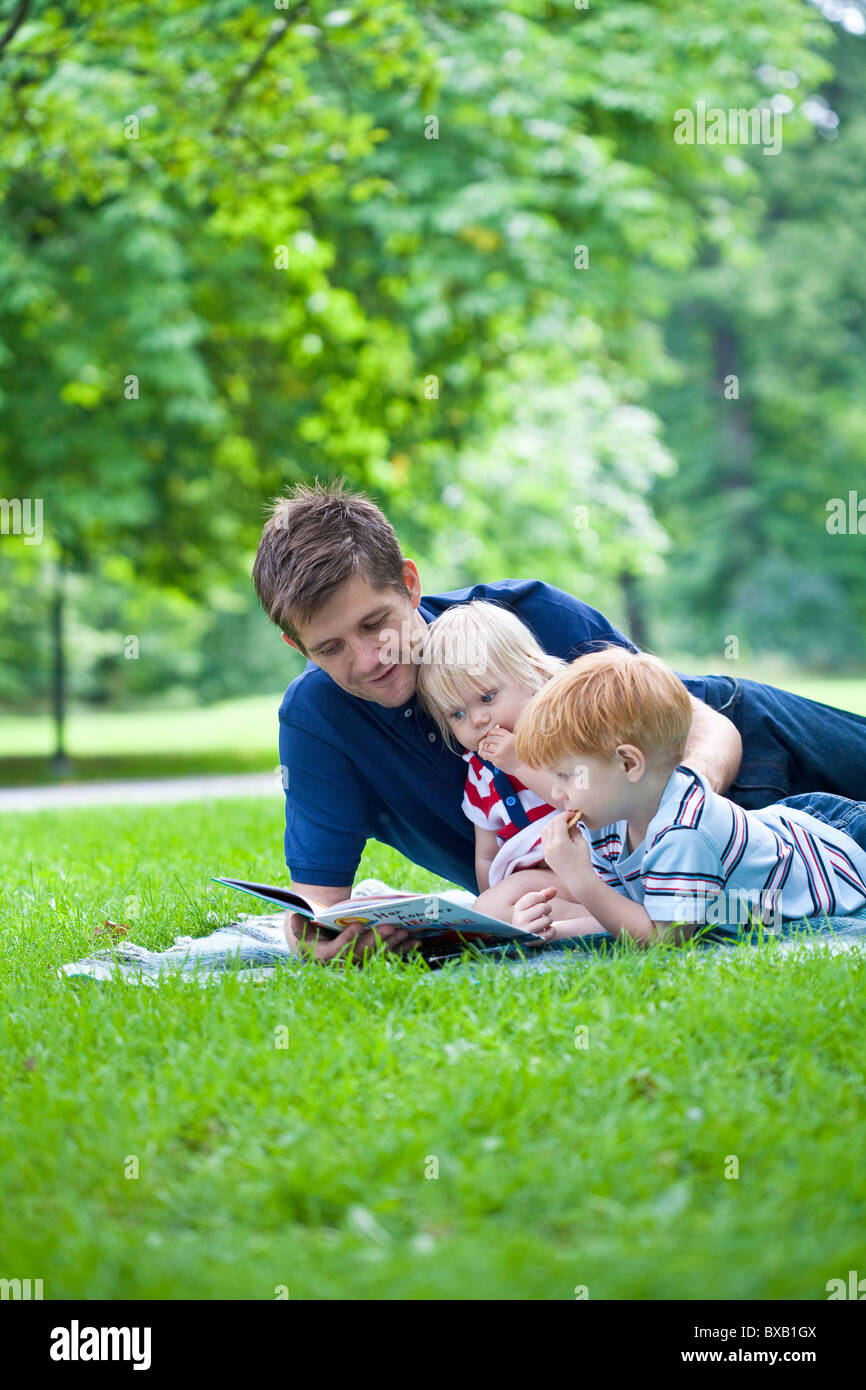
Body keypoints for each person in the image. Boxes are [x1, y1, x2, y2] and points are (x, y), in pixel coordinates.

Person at [251, 478, 866, 966]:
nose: (366, 660)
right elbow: (316, 901)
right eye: (328, 648)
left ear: (410, 584)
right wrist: (312, 938)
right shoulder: (317, 722)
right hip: (656, 879)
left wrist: (669, 818)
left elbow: (709, 729)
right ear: (293, 644)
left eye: (374, 623)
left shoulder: (523, 616)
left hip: (740, 755)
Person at [511, 646, 866, 945]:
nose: (556, 793)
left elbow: (667, 939)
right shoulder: (606, 822)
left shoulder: (684, 832)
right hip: (786, 827)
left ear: (629, 764)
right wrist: (554, 932)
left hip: (840, 844)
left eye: (566, 776)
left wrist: (581, 881)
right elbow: (635, 914)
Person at [415, 600, 602, 936]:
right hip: (549, 881)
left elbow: (589, 803)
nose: (478, 719)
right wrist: (495, 896)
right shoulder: (481, 776)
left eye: (487, 698)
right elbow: (486, 854)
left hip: (600, 860)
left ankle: (599, 919)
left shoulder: (562, 733)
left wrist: (519, 763)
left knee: (504, 904)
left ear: (532, 674)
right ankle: (588, 923)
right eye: (457, 714)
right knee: (489, 907)